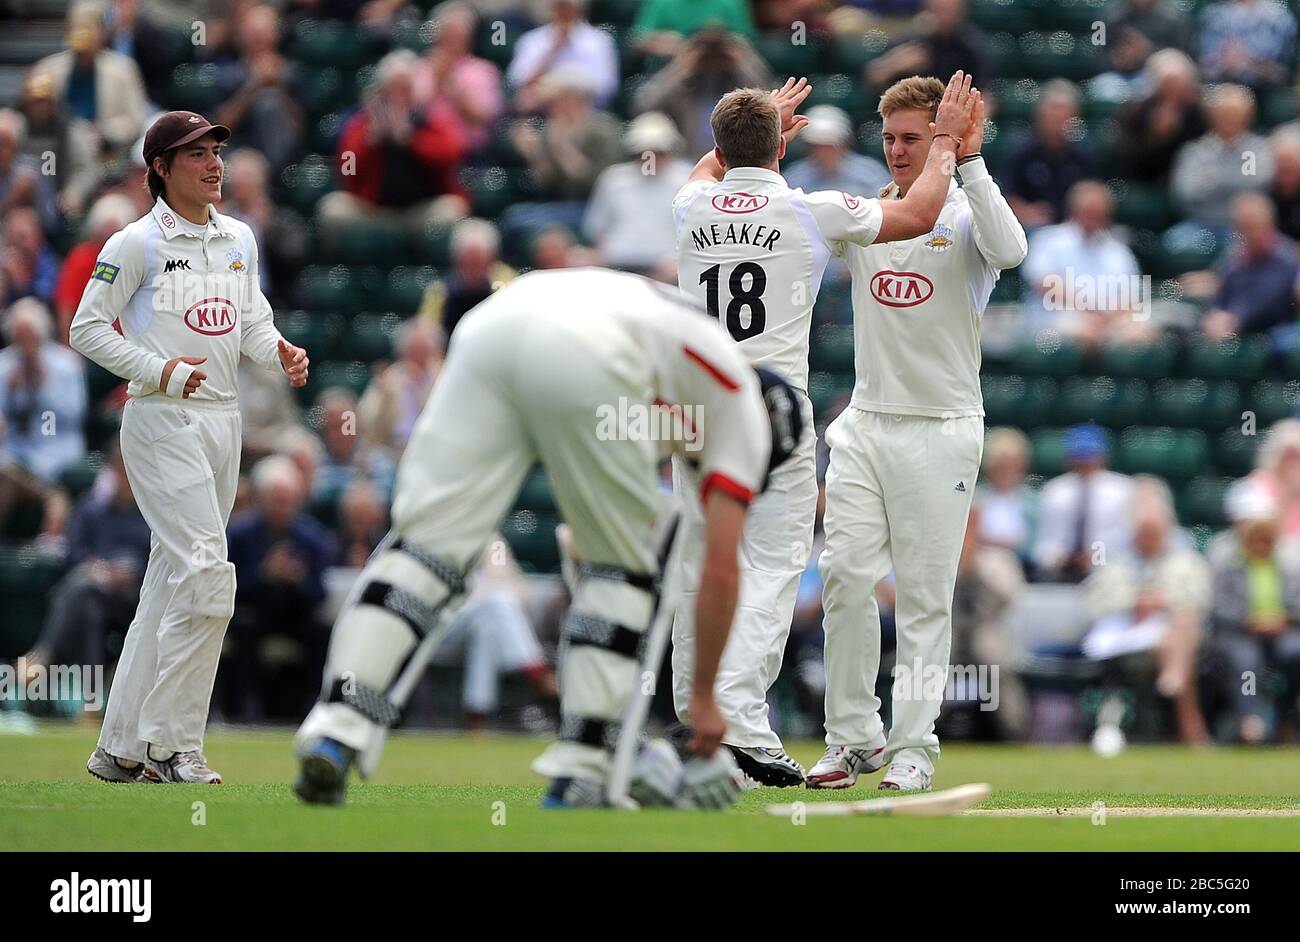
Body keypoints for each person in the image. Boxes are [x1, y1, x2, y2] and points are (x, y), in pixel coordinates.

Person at [292, 268, 803, 809]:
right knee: (627, 570)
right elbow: (721, 568)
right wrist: (705, 701)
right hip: (585, 345)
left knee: (424, 548)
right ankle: (584, 767)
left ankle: (336, 728)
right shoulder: (745, 408)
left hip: (493, 326)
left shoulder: (680, 374)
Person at [671, 73, 981, 787]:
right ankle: (744, 729)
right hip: (767, 412)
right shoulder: (811, 209)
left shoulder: (691, 204)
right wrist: (942, 142)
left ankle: (699, 724)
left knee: (698, 568)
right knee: (774, 568)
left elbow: (703, 171)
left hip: (694, 409)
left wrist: (750, 131)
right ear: (783, 146)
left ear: (720, 146)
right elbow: (922, 213)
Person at [69, 110, 310, 785]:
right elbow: (86, 329)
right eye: (195, 154)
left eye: (216, 152)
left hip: (222, 420)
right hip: (161, 417)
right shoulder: (134, 243)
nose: (213, 164)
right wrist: (159, 370)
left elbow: (251, 321)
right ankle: (172, 748)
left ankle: (117, 747)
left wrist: (279, 351)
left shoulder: (239, 238)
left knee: (171, 582)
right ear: (161, 169)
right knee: (209, 575)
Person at [808, 74, 1026, 792]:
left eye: (914, 137)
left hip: (942, 427)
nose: (899, 150)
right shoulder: (869, 214)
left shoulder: (965, 213)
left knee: (926, 598)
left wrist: (967, 157)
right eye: (892, 137)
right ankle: (851, 738)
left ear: (942, 137)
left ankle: (914, 748)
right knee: (843, 579)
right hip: (866, 425)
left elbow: (1013, 249)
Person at [1081, 478, 1211, 743]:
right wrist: (1134, 602)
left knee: (1181, 626)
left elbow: (1200, 602)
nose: (1148, 539)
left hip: (1175, 634)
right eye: (1143, 532)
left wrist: (1164, 602)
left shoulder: (1186, 561)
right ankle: (1189, 722)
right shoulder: (1115, 561)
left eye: (1154, 532)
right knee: (1176, 636)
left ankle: (1174, 676)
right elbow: (1094, 604)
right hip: (1126, 641)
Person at [1211, 482, 1300, 743]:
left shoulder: (1288, 564)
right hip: (1240, 632)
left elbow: (1296, 602)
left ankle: (1288, 714)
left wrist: (1284, 618)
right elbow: (1219, 607)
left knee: (1296, 652)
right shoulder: (1229, 562)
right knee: (1246, 662)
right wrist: (1248, 621)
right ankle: (1251, 721)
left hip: (1281, 629)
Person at [1020, 180, 1149, 345]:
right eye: (1089, 213)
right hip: (1054, 319)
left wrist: (1111, 315)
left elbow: (1132, 296)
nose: (1094, 220)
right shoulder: (1048, 239)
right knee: (1086, 333)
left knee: (1141, 334)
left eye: (1100, 214)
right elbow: (1043, 283)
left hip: (1110, 320)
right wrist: (1094, 308)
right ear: (1073, 211)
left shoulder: (1118, 250)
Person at [582, 112, 691, 276]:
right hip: (617, 264)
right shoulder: (614, 179)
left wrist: (681, 262)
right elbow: (596, 229)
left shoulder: (686, 180)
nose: (650, 159)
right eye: (644, 152)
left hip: (666, 267)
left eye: (657, 152)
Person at [1032, 423, 1135, 582]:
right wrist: (1059, 558)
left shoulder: (1122, 490)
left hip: (1107, 568)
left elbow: (1125, 540)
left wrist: (1095, 557)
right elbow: (1044, 542)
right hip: (1060, 571)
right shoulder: (1055, 491)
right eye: (1080, 455)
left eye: (1090, 455)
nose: (1085, 461)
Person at [0, 299, 87, 482]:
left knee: (20, 477)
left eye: (29, 337)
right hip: (15, 447)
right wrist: (10, 392)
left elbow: (75, 415)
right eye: (19, 338)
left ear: (41, 334)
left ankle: (46, 496)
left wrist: (45, 387)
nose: (24, 345)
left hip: (56, 445)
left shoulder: (66, 363)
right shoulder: (4, 364)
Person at [1001, 80, 1096, 230]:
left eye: (1063, 120)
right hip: (1031, 229)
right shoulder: (1021, 154)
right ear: (1040, 117)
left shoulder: (1082, 157)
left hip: (1072, 230)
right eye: (1053, 119)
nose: (1057, 127)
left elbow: (1093, 194)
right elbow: (1005, 198)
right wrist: (1027, 211)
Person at [506, 0, 619, 113]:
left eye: (567, 7)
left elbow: (606, 86)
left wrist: (565, 91)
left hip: (585, 109)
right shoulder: (532, 39)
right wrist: (553, 49)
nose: (563, 12)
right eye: (559, 7)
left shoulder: (599, 40)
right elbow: (517, 81)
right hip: (541, 107)